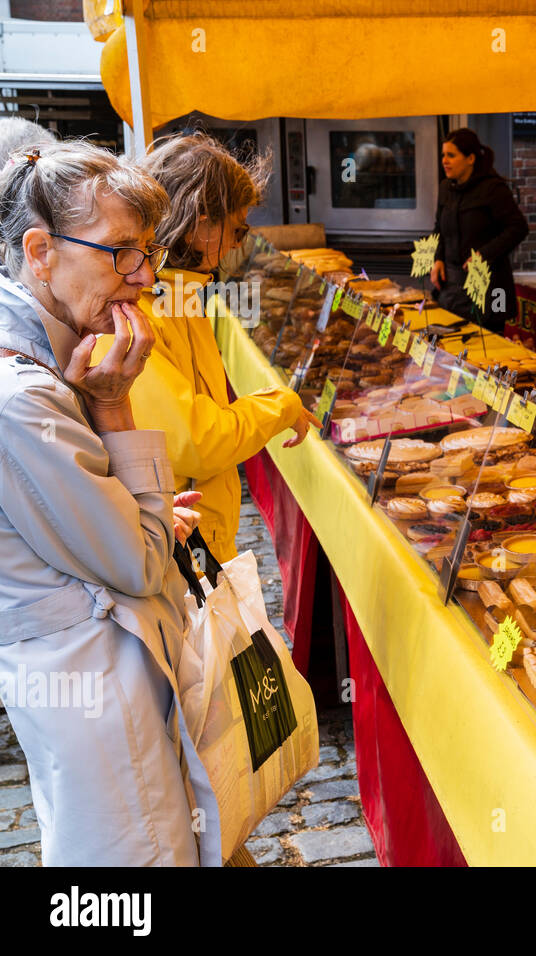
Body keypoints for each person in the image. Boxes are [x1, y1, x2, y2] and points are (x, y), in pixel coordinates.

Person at [0, 142, 220, 865]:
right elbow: (138, 562)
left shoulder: (43, 358)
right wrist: (119, 416)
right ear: (40, 251)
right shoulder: (24, 398)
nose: (146, 276)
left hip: (87, 675)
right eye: (121, 252)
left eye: (148, 251)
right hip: (94, 684)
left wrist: (139, 515)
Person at [99, 133, 320, 564]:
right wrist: (282, 405)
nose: (239, 242)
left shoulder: (180, 293)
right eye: (238, 228)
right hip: (177, 543)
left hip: (196, 534)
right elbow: (198, 440)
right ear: (201, 223)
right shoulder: (137, 309)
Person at [432, 128, 528, 331]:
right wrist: (438, 258)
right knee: (450, 353)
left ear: (470, 159)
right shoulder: (445, 188)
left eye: (451, 155)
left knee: (487, 351)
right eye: (443, 155)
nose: (444, 161)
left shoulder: (493, 189)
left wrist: (485, 254)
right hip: (452, 287)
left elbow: (518, 228)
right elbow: (439, 227)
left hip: (490, 286)